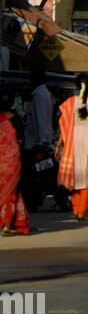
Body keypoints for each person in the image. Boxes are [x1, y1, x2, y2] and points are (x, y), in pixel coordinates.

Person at [56, 75, 88, 222]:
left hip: (74, 140)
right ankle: (81, 211)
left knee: (77, 175)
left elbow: (65, 124)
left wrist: (59, 143)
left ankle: (75, 207)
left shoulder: (71, 102)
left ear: (78, 86)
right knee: (86, 178)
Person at [22, 72, 70, 213]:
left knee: (35, 176)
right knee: (44, 175)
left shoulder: (40, 95)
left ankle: (34, 201)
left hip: (35, 144)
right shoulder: (42, 94)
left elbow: (42, 120)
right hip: (40, 142)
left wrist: (42, 143)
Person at [0, 89, 31, 235]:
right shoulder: (16, 119)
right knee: (11, 193)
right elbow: (19, 141)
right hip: (12, 161)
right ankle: (6, 225)